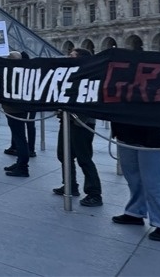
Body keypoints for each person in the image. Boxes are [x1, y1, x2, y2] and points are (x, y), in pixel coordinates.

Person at [110, 122, 160, 241]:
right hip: (126, 132)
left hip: (155, 136)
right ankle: (135, 211)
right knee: (133, 178)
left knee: (153, 182)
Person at [54, 47, 102, 207]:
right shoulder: (69, 74)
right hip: (67, 120)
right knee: (63, 154)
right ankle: (70, 184)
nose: (69, 57)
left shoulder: (90, 75)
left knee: (84, 158)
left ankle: (94, 193)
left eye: (72, 55)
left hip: (82, 122)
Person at [2, 51, 35, 177]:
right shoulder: (25, 72)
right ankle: (20, 162)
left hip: (14, 109)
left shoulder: (10, 73)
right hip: (21, 108)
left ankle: (23, 167)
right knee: (20, 137)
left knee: (20, 138)